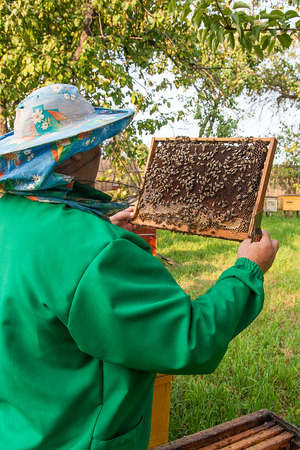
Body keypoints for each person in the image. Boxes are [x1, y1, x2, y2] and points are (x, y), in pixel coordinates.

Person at [0, 84, 278, 450]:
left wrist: (100, 231)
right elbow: (188, 336)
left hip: (19, 429)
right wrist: (248, 269)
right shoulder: (99, 253)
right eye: (94, 144)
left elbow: (43, 278)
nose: (99, 153)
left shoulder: (9, 215)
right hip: (76, 437)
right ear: (67, 158)